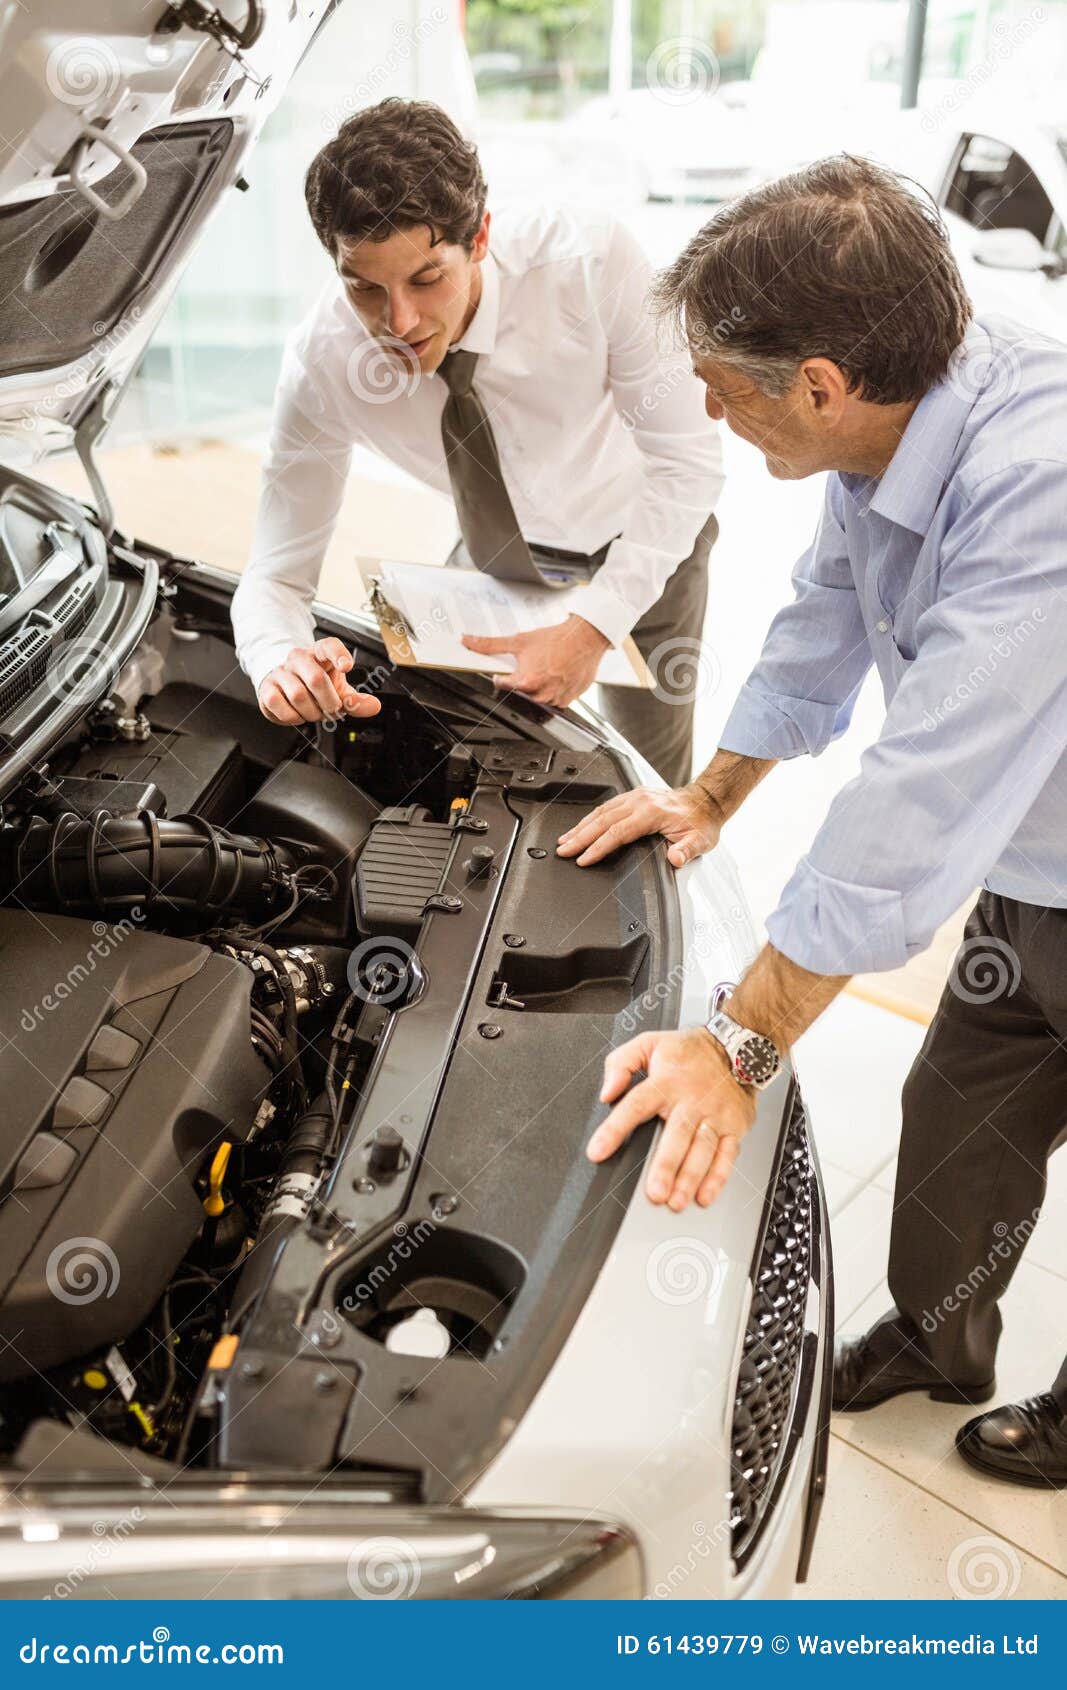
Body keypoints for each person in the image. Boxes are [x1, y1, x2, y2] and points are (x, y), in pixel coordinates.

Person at [556, 154, 1067, 1487]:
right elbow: (821, 621)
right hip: (1035, 869)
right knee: (962, 1107)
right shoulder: (895, 415)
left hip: (1028, 824)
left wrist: (739, 1040)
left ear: (820, 387)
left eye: (722, 394)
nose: (712, 417)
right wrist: (707, 795)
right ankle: (939, 1337)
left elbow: (924, 787)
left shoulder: (1040, 484)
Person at [231, 98, 723, 787]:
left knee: (647, 782)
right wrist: (276, 655)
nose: (398, 321)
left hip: (644, 539)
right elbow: (275, 574)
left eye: (426, 279)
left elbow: (690, 462)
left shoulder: (590, 262)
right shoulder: (323, 363)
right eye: (363, 288)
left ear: (482, 237)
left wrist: (591, 630)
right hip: (492, 567)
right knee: (477, 772)